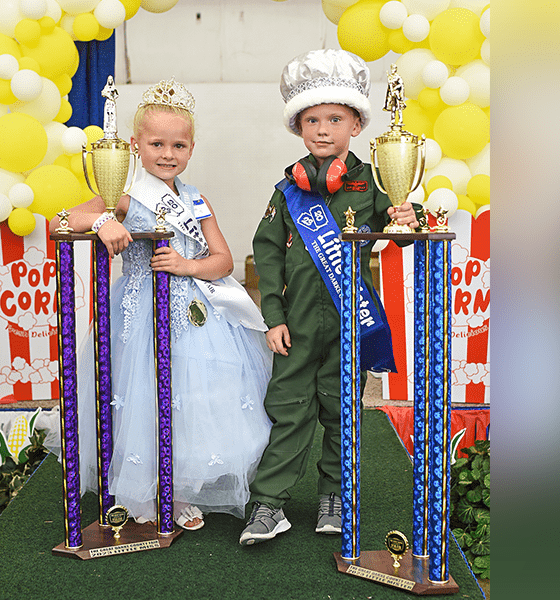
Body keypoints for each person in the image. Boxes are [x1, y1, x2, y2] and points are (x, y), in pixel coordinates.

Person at [57, 79, 273, 531]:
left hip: (197, 316)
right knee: (142, 396)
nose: (168, 154)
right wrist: (101, 221)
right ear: (136, 145)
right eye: (157, 144)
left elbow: (223, 260)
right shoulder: (125, 193)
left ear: (192, 148)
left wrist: (186, 266)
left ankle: (181, 489)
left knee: (192, 399)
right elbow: (66, 218)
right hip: (139, 314)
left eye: (179, 145)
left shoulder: (196, 200)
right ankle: (144, 489)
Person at [240, 49, 419, 545]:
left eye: (335, 119)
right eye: (312, 120)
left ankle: (335, 498)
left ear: (356, 124)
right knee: (289, 410)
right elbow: (266, 254)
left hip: (348, 323)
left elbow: (402, 232)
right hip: (295, 326)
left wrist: (410, 216)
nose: (323, 130)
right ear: (298, 127)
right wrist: (273, 315)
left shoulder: (374, 183)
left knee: (342, 412)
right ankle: (269, 504)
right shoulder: (287, 191)